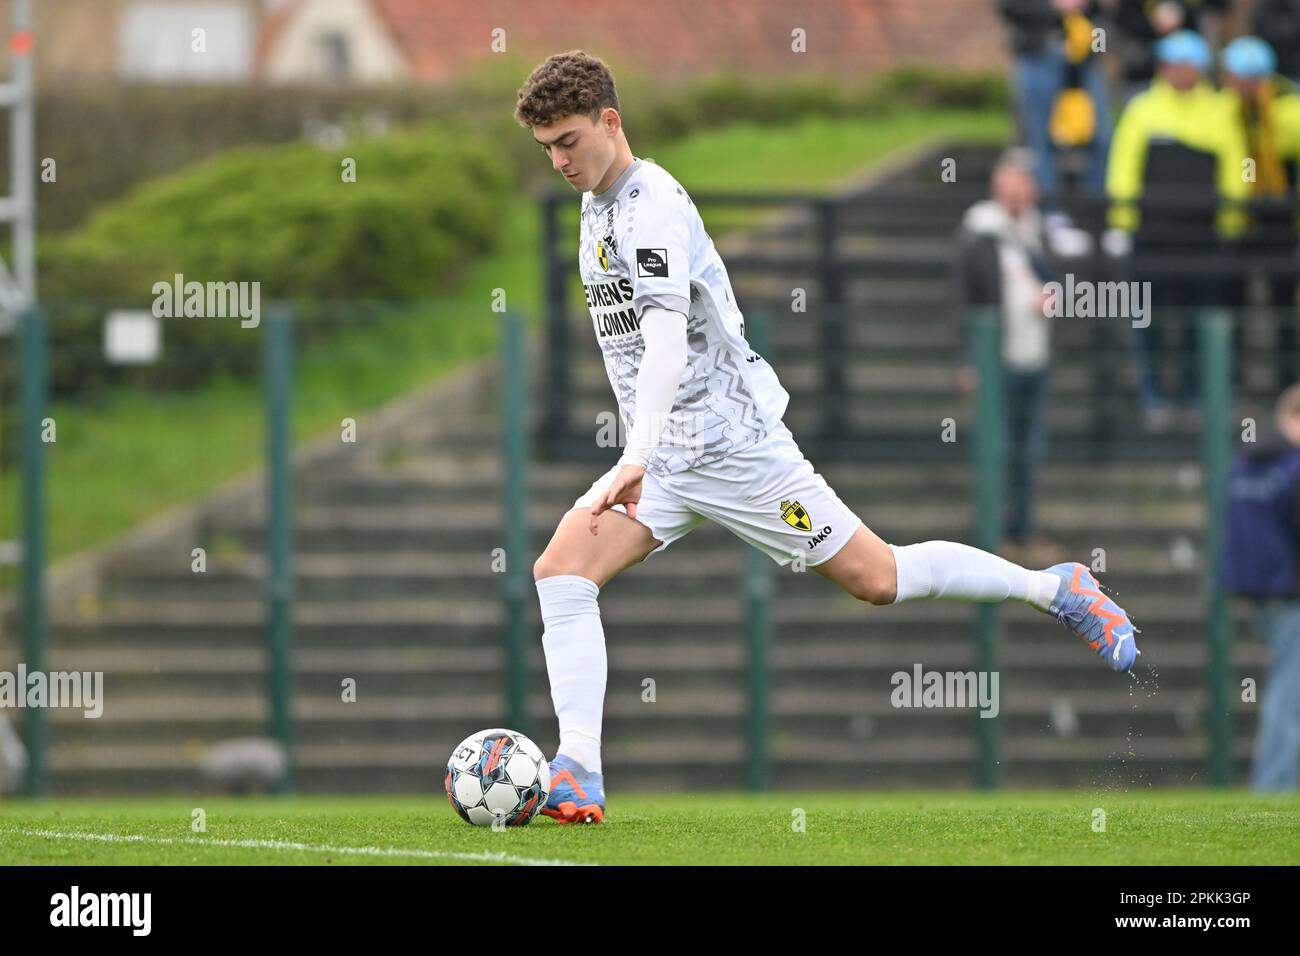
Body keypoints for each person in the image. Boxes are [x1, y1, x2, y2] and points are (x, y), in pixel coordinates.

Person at [514, 50, 1141, 825]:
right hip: (670, 459)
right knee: (562, 570)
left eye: (570, 140)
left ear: (612, 121)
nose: (559, 160)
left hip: (735, 450)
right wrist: (647, 453)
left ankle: (1059, 589)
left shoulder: (652, 207)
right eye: (547, 147)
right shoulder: (596, 203)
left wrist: (633, 455)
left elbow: (668, 340)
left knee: (878, 577)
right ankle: (577, 767)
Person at [1105, 29, 1249, 430]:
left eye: (1188, 65)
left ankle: (1192, 396)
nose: (1181, 72)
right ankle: (1153, 397)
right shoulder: (1141, 110)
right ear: (1164, 67)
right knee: (1147, 320)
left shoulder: (1220, 111)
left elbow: (1236, 169)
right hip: (1151, 237)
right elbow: (1123, 168)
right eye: (1174, 64)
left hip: (1202, 239)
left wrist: (1231, 223)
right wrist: (1121, 224)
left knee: (1195, 322)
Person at [955, 148, 1073, 566]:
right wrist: (969, 361)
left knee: (1028, 451)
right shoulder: (980, 231)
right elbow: (966, 301)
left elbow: (1063, 283)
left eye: (1023, 182)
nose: (1016, 191)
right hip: (997, 361)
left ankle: (1022, 531)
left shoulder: (1039, 231)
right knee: (998, 448)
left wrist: (1054, 295)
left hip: (1034, 358)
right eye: (1008, 182)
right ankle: (995, 534)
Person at [1221, 384, 1300, 790]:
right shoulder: (1292, 466)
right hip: (1291, 594)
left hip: (1260, 593)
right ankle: (1274, 787)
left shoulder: (1246, 463)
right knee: (1289, 700)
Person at [1219, 36, 1300, 391]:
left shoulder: (1286, 108)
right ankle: (1233, 383)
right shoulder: (1221, 109)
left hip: (1283, 223)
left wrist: (1262, 115)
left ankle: (1288, 385)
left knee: (1284, 304)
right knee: (1232, 302)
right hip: (1238, 221)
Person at [998, 0, 1112, 200]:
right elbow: (1008, 6)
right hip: (1039, 54)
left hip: (1083, 56)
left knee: (1102, 135)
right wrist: (1054, 7)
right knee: (1038, 138)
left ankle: (1095, 206)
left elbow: (1102, 14)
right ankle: (1049, 209)